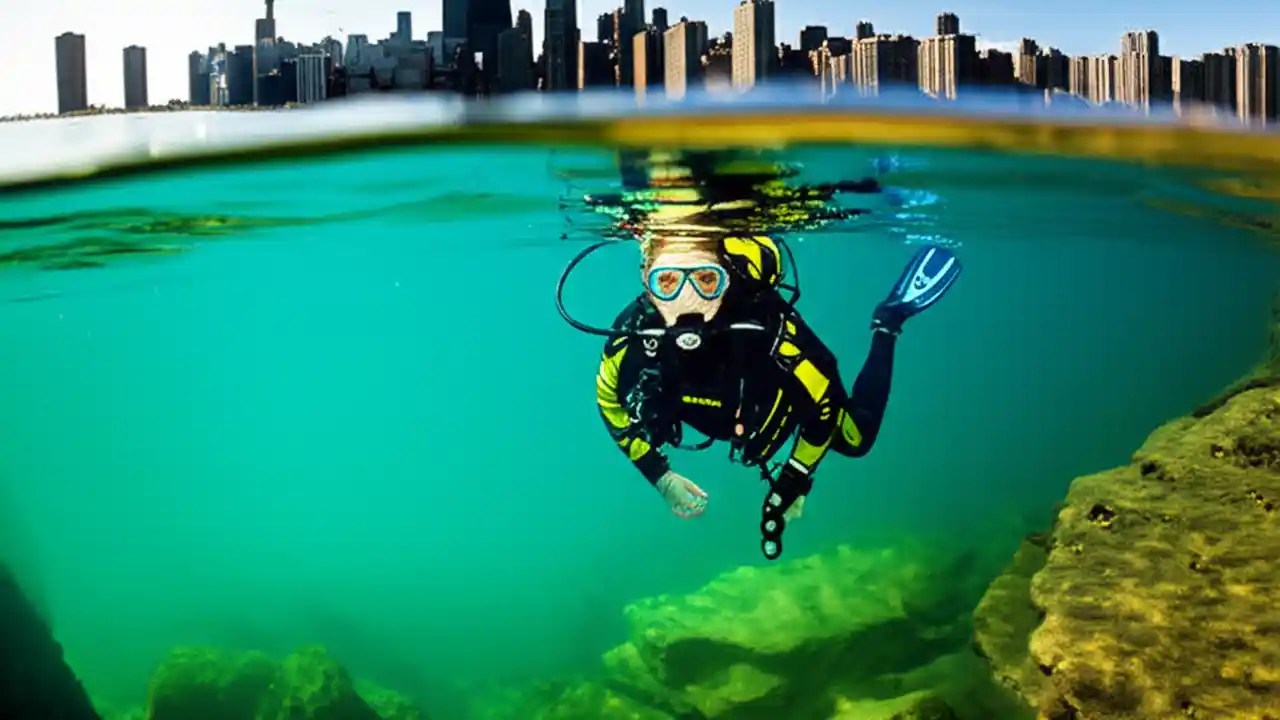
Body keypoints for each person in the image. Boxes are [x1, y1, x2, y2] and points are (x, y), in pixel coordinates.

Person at [589, 232, 961, 560]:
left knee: (856, 439)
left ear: (725, 278)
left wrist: (795, 478)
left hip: (776, 399)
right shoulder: (633, 339)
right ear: (646, 283)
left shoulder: (767, 333)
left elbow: (824, 404)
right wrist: (659, 475)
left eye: (705, 279)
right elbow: (608, 402)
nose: (688, 301)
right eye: (667, 281)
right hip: (726, 411)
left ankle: (888, 322)